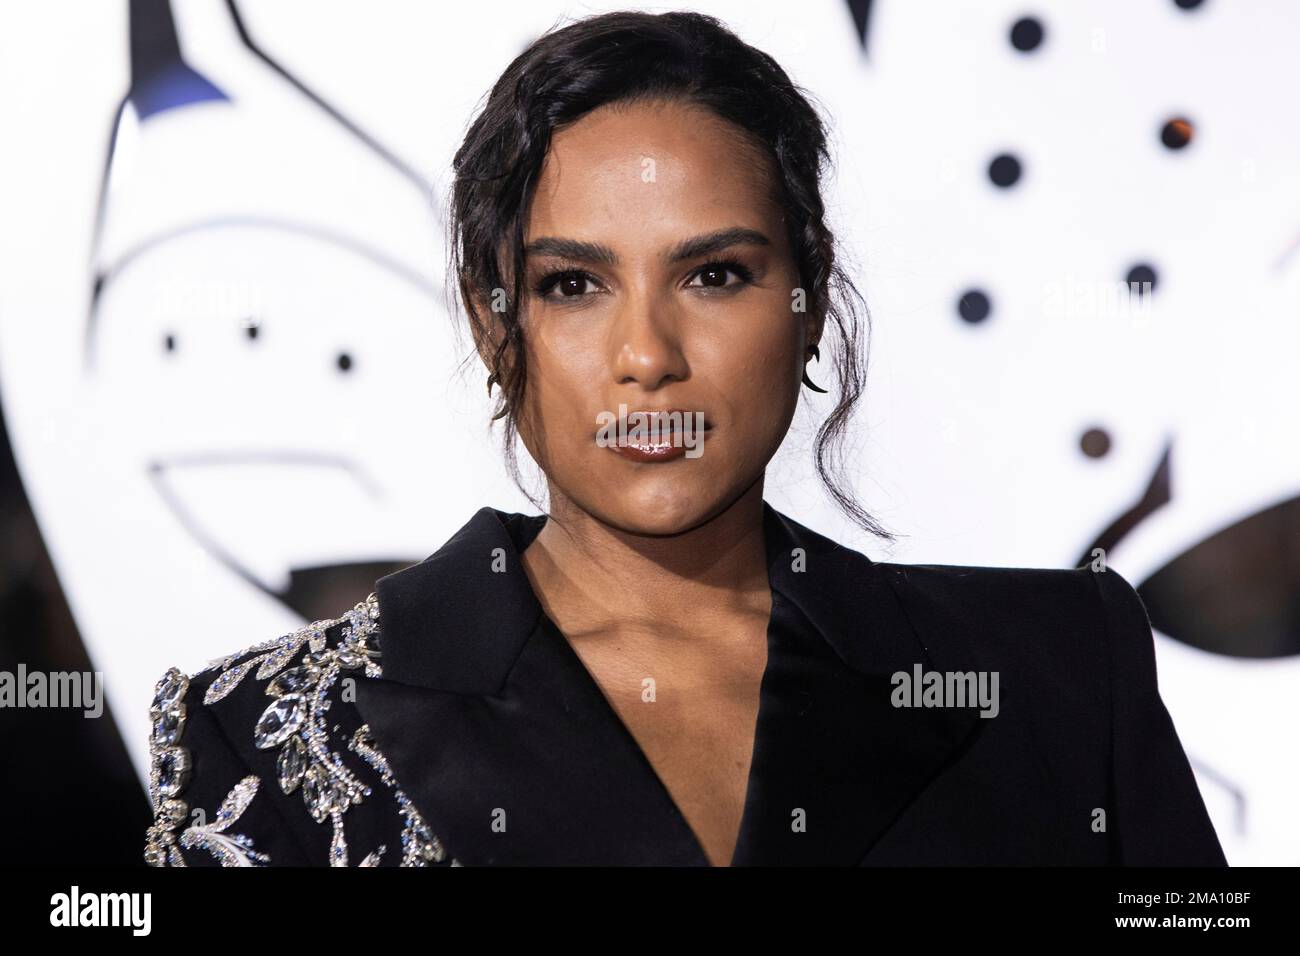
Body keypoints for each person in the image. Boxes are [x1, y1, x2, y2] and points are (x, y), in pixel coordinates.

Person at [143, 10, 1225, 867]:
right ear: (493, 320)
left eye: (713, 275)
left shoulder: (1053, 669)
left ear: (806, 297)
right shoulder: (267, 735)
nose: (646, 353)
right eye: (574, 285)